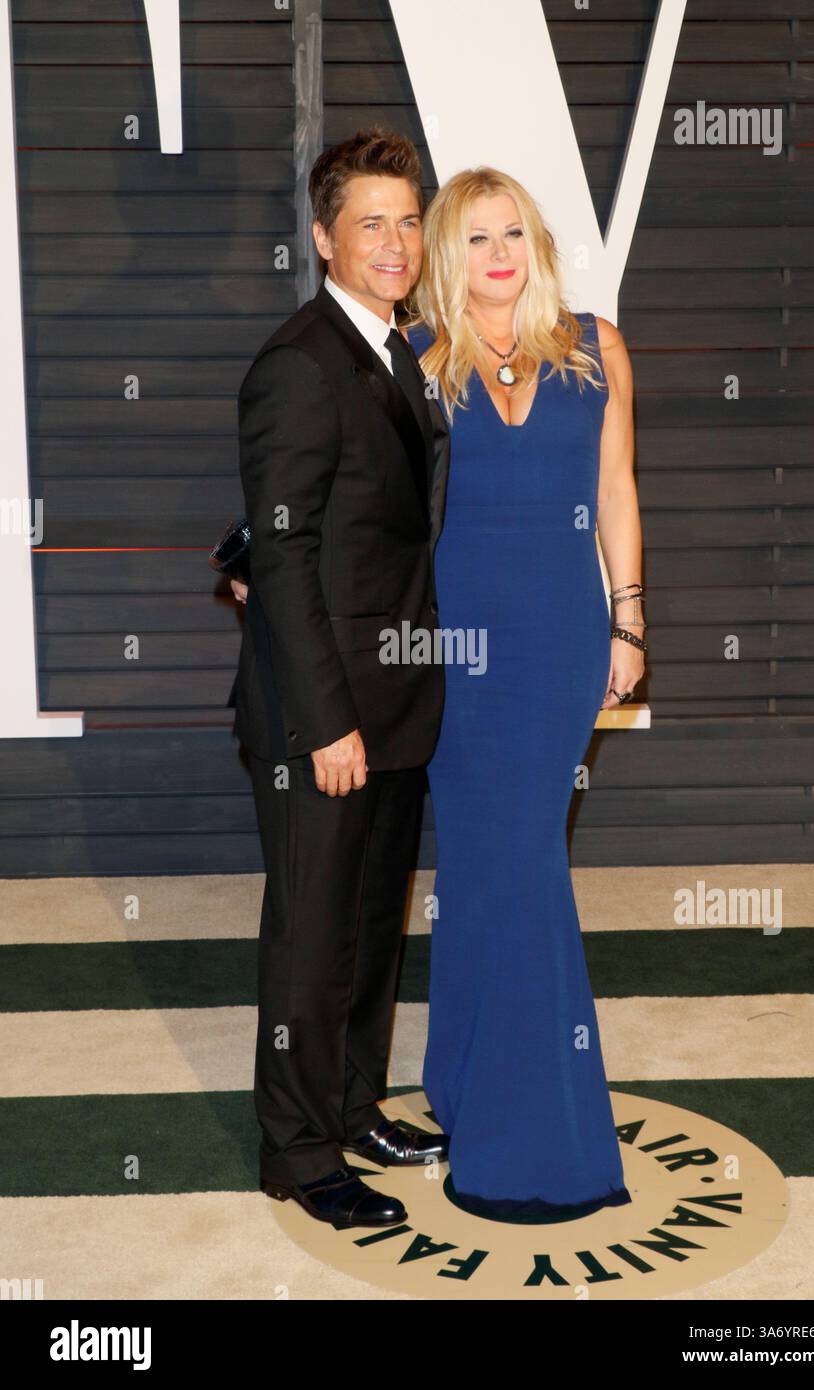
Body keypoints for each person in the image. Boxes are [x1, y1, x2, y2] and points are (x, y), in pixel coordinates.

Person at [403, 166, 645, 1218]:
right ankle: (476, 1095)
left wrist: (630, 618)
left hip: (557, 646)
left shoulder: (595, 345)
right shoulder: (415, 362)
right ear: (445, 257)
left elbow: (616, 486)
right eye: (474, 236)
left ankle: (525, 1135)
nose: (497, 252)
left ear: (535, 244)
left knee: (523, 865)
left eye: (513, 232)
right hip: (457, 653)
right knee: (490, 866)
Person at [228, 128, 451, 1228]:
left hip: (398, 695)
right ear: (324, 238)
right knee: (313, 938)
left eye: (408, 220)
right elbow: (283, 555)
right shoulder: (300, 362)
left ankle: (356, 1102)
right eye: (372, 222)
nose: (396, 241)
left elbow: (333, 522)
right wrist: (326, 723)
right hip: (323, 713)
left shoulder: (399, 349)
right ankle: (298, 1150)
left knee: (371, 927)